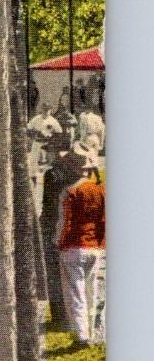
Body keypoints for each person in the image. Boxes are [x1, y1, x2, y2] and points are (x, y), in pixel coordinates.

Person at [55, 149, 106, 348]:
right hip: (94, 246)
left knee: (76, 294)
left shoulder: (69, 192)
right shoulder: (100, 190)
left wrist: (59, 243)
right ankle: (93, 331)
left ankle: (81, 335)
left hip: (73, 247)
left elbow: (65, 223)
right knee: (92, 291)